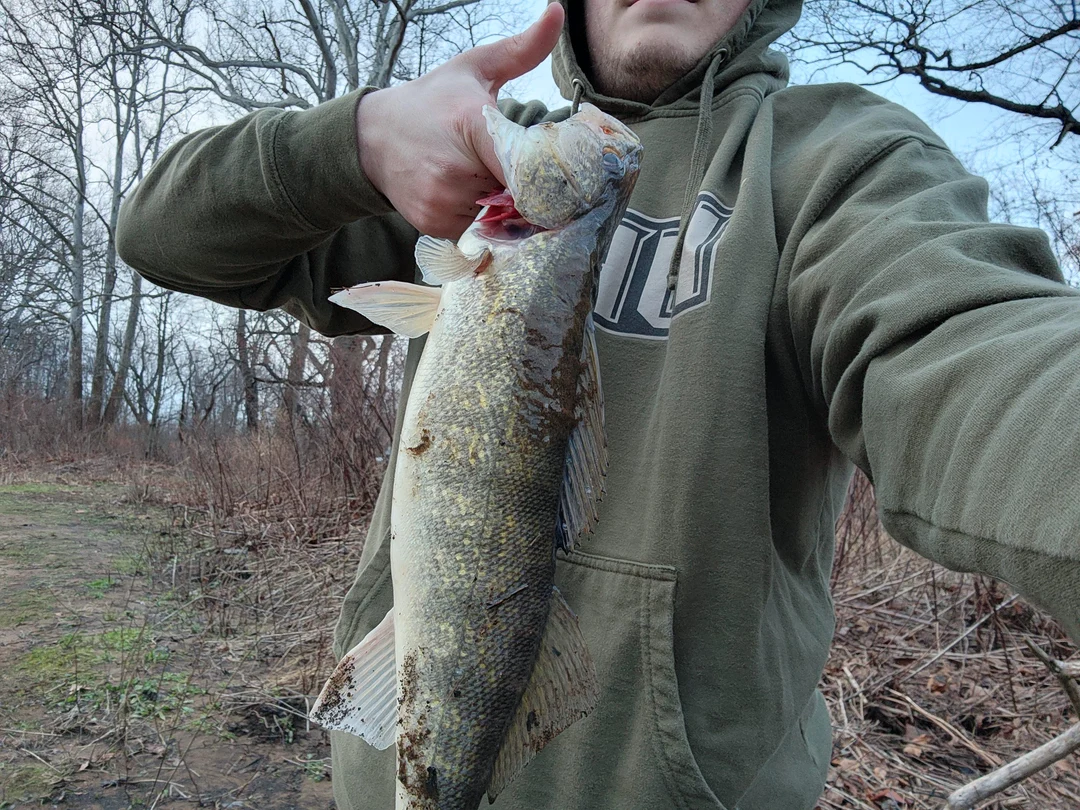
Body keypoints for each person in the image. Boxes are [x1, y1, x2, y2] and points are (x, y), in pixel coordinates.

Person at [117, 0, 1080, 807]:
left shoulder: (840, 163)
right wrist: (356, 144)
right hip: (395, 773)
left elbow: (975, 342)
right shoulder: (463, 170)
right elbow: (161, 235)